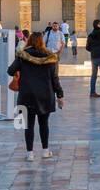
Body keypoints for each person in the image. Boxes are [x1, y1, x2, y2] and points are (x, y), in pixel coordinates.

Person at [7, 32, 64, 161]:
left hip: (26, 94)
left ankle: (30, 153)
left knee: (28, 125)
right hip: (45, 94)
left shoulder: (22, 55)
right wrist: (60, 95)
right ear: (42, 41)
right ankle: (45, 150)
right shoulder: (51, 57)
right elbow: (55, 79)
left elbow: (10, 71)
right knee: (44, 124)